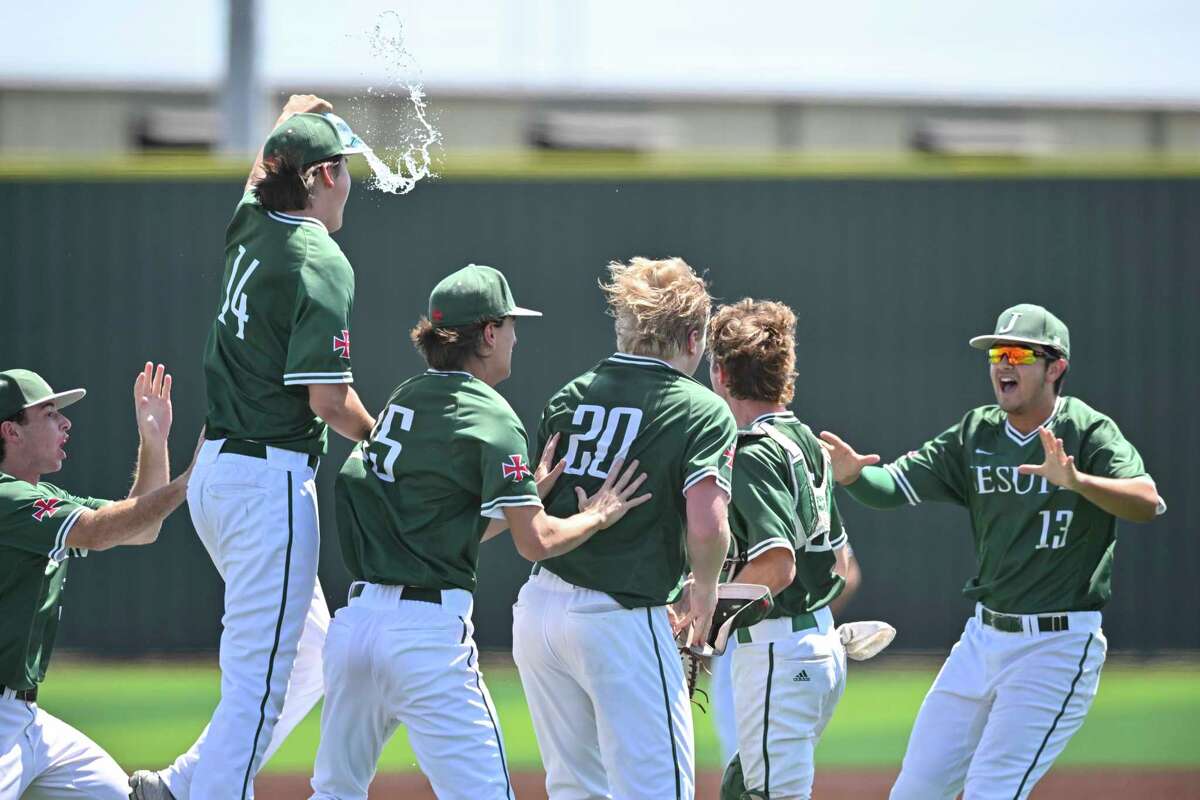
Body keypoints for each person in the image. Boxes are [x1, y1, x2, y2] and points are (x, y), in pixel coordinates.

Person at [309, 264, 650, 799]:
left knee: (334, 793)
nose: (516, 337)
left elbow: (436, 529)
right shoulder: (492, 416)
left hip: (355, 628)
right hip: (425, 637)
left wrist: (521, 500)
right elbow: (536, 543)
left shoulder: (404, 398)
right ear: (488, 334)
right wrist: (597, 514)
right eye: (510, 325)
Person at [131, 95, 376, 800]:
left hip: (217, 475)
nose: (350, 181)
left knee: (309, 658)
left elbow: (259, 174)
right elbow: (329, 401)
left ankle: (182, 785)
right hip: (268, 485)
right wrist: (387, 438)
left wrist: (286, 118)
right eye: (344, 168)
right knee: (258, 688)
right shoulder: (319, 258)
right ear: (322, 176)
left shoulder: (251, 221)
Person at [820, 303, 1167, 800]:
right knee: (914, 791)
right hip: (982, 640)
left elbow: (1147, 502)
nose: (1003, 364)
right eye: (996, 354)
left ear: (1055, 367)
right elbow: (892, 487)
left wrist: (1077, 481)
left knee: (992, 791)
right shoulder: (976, 433)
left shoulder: (1087, 430)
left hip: (1056, 646)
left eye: (1018, 354)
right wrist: (854, 477)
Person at [512, 257, 737, 800]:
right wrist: (705, 588)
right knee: (658, 790)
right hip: (619, 619)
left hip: (540, 614)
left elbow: (531, 504)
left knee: (575, 789)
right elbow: (708, 523)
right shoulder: (701, 409)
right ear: (692, 338)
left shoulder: (569, 395)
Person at [1, 364, 193, 797]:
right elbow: (98, 531)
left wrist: (154, 441)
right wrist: (186, 483)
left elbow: (141, 528)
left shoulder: (42, 499)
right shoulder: (6, 498)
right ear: (11, 432)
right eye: (49, 414)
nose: (65, 423)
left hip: (28, 720)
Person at [705, 299, 853, 800]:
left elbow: (776, 564)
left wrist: (702, 615)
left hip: (778, 653)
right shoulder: (807, 440)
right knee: (740, 786)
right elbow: (839, 561)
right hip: (812, 643)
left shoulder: (752, 450)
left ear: (721, 374)